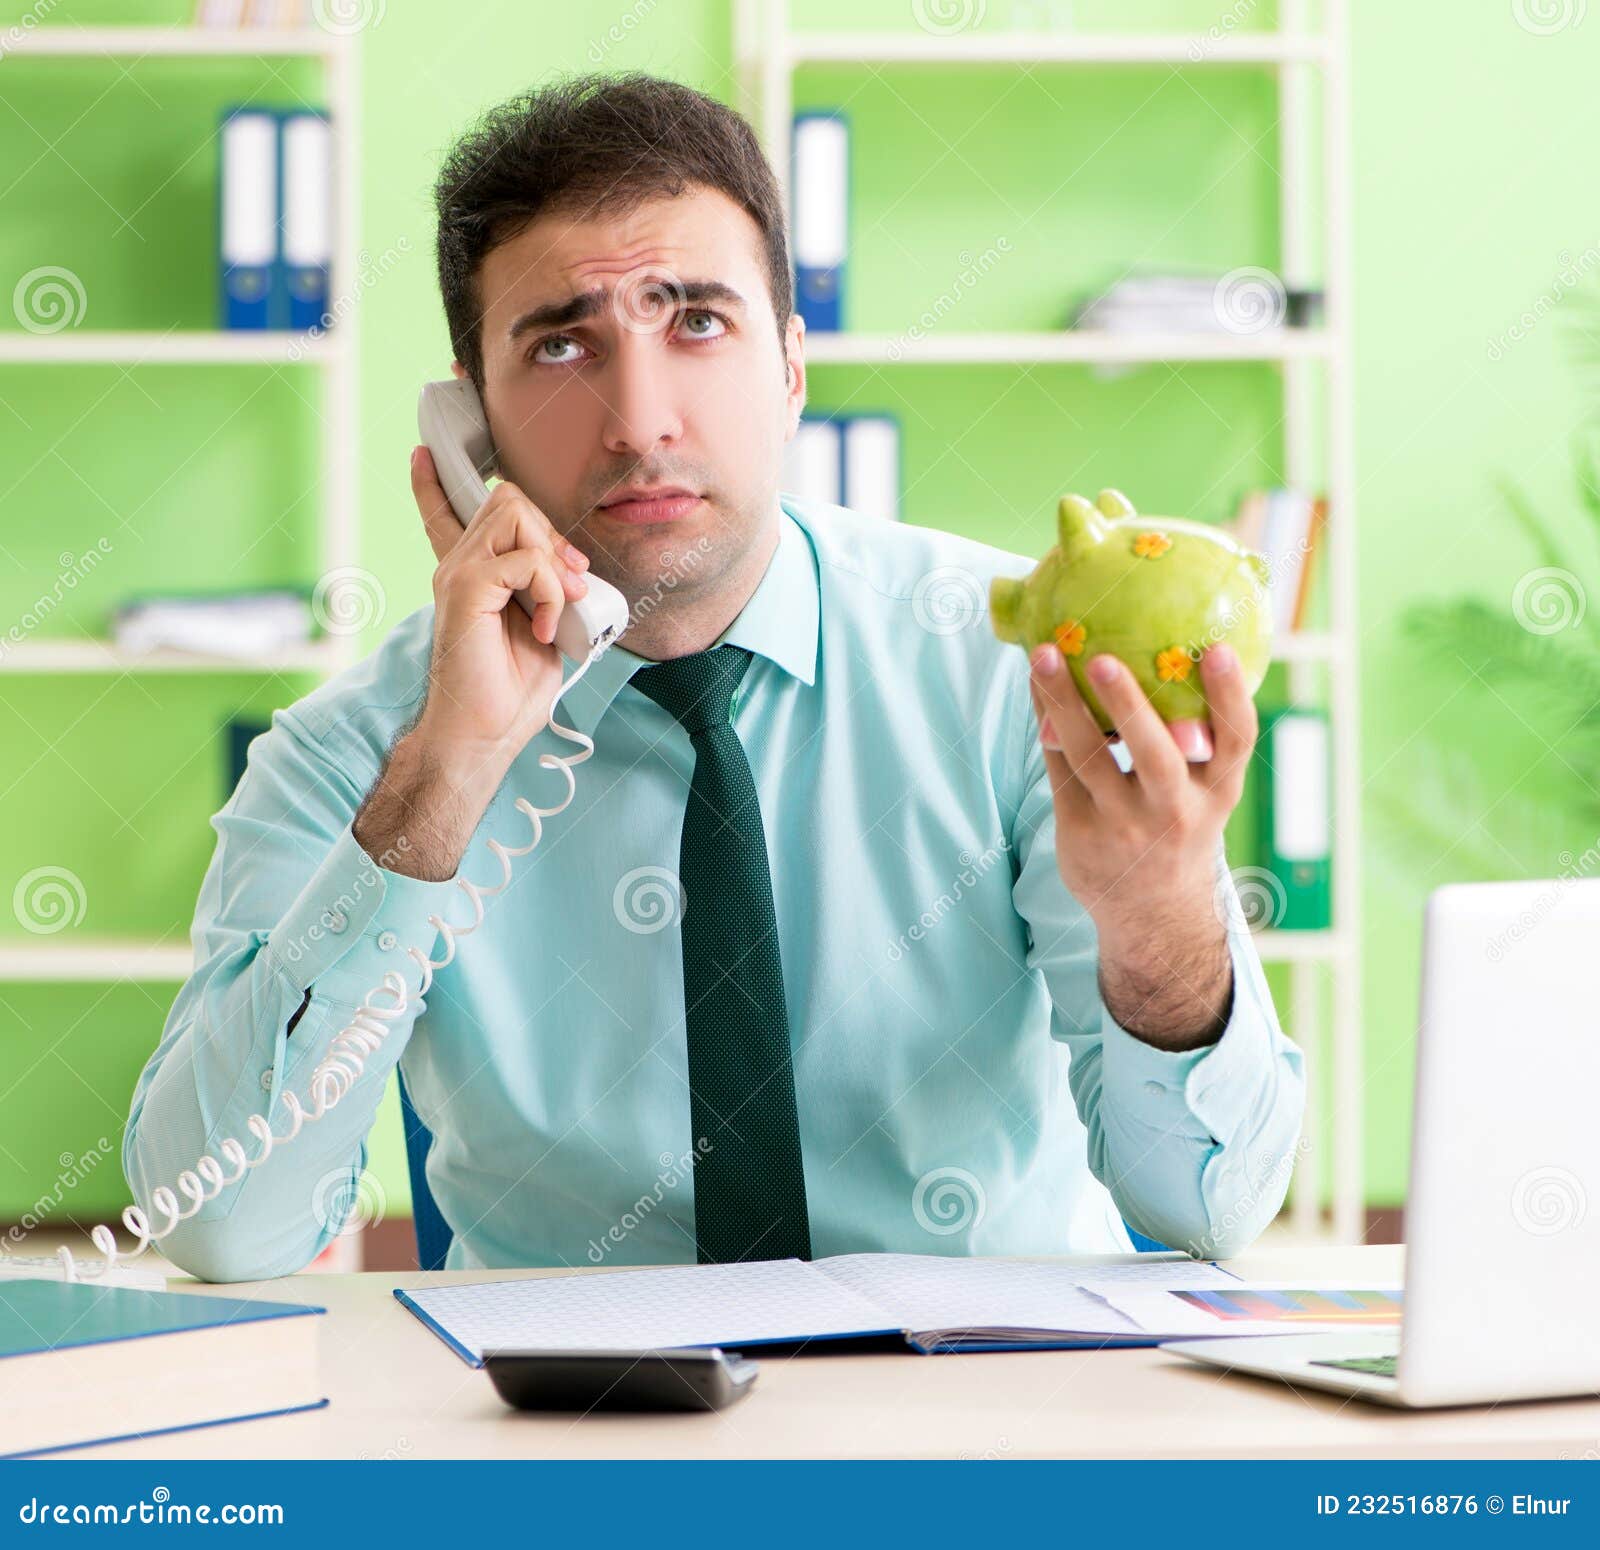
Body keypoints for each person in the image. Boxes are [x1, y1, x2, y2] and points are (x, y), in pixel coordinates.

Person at [124, 73, 1303, 1281]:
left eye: (695, 322)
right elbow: (223, 1228)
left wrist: (1161, 919)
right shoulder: (361, 751)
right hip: (578, 1432)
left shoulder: (1013, 671)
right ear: (467, 428)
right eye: (564, 343)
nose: (639, 421)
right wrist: (443, 777)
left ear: (791, 366)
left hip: (977, 1407)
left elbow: (1212, 1207)